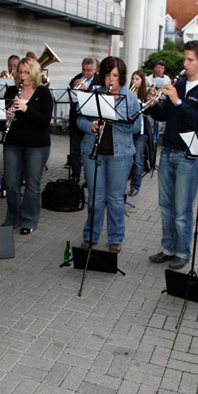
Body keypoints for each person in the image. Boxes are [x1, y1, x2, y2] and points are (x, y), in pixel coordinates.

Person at [147, 41, 198, 270]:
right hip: (167, 150)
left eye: (190, 60)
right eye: (184, 59)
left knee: (182, 209)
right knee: (165, 206)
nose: (185, 64)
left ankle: (182, 251)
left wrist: (178, 100)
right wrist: (151, 104)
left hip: (188, 156)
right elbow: (164, 115)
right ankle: (167, 248)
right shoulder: (179, 83)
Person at [77, 56, 140, 253]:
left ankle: (115, 238)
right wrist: (91, 126)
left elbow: (137, 126)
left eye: (115, 75)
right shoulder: (93, 94)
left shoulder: (129, 97)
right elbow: (79, 119)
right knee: (95, 197)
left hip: (120, 155)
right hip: (92, 152)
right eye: (107, 75)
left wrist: (117, 121)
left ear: (121, 77)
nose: (111, 80)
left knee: (115, 198)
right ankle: (90, 235)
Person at [1, 57, 53, 234]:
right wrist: (6, 115)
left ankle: (29, 220)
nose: (22, 75)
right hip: (13, 143)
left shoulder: (43, 93)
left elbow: (45, 121)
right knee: (11, 182)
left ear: (35, 72)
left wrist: (26, 109)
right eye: (20, 72)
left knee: (32, 183)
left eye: (26, 72)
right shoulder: (11, 90)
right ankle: (12, 217)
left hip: (36, 145)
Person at [67, 57, 97, 182]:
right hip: (76, 118)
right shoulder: (77, 78)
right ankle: (75, 174)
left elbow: (99, 99)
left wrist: (87, 90)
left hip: (91, 120)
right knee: (74, 148)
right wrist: (73, 86)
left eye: (89, 70)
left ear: (95, 70)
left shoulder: (99, 81)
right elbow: (69, 94)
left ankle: (88, 177)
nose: (85, 73)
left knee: (89, 149)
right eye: (83, 69)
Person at [128, 70, 151, 197]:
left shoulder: (145, 95)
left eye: (137, 79)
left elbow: (146, 113)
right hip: (128, 130)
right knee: (127, 159)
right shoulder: (127, 93)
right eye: (133, 79)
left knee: (137, 160)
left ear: (142, 81)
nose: (134, 82)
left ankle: (135, 186)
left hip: (140, 132)